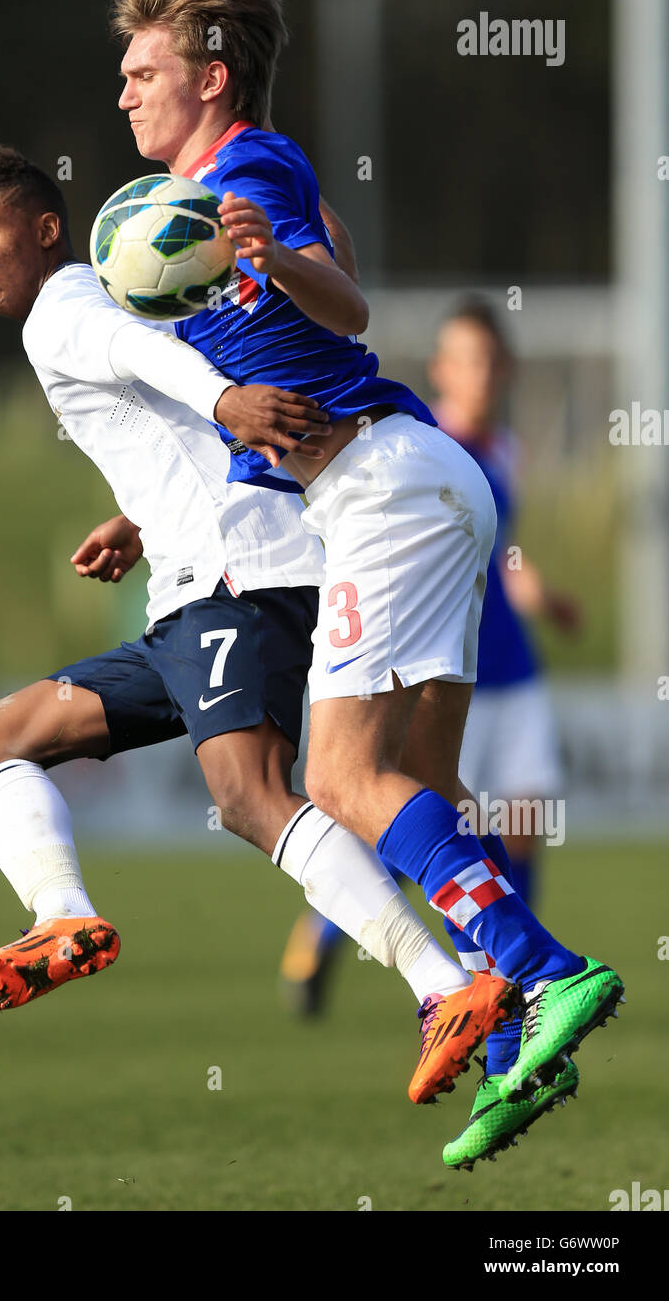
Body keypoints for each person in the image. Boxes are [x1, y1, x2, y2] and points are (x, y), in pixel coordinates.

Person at [107, 0, 623, 1114]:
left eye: (145, 70)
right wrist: (140, 510)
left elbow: (344, 301)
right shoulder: (209, 213)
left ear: (213, 75)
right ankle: (509, 1053)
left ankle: (549, 968)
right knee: (418, 795)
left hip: (385, 489)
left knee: (335, 778)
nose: (127, 92)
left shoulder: (244, 171)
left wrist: (272, 255)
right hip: (426, 485)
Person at [0, 143, 515, 1104]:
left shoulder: (64, 311)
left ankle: (445, 985)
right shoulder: (107, 297)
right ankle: (63, 916)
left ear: (45, 230)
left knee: (253, 795)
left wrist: (226, 401)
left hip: (243, 579)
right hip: (187, 594)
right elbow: (167, 397)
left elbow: (147, 359)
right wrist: (139, 514)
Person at [279, 295, 584, 1166]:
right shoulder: (415, 442)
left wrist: (536, 595)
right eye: (467, 360)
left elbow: (506, 559)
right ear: (445, 370)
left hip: (505, 668)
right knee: (403, 803)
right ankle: (334, 929)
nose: (481, 375)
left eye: (493, 361)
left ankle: (518, 1008)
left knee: (501, 825)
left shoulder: (498, 455)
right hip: (429, 649)